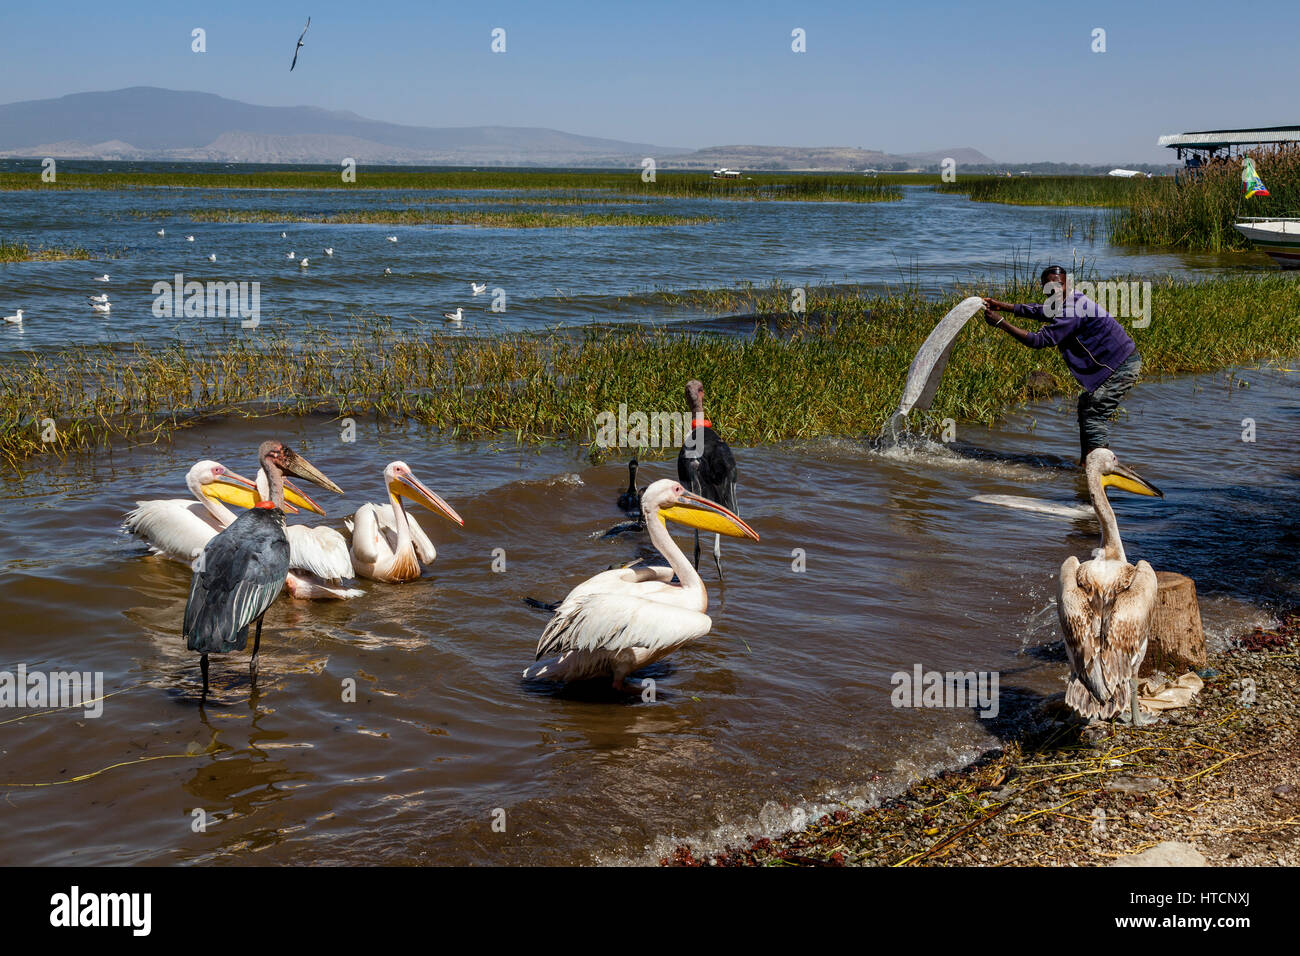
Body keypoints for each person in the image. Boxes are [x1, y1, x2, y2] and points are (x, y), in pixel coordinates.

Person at [983, 266, 1141, 463]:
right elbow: (1042, 311)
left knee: (1094, 412)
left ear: (1068, 284)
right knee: (1086, 405)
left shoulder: (1073, 309)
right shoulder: (1067, 300)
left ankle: (1101, 468)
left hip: (1120, 365)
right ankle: (1086, 463)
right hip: (1116, 362)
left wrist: (1001, 323)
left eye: (1059, 285)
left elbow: (1039, 341)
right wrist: (1004, 306)